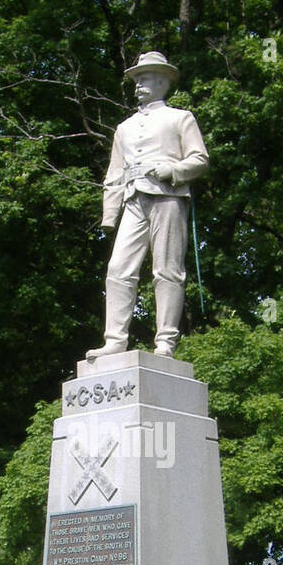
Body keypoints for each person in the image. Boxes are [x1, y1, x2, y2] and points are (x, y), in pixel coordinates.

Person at [87, 51, 209, 359]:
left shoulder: (180, 118)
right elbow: (114, 174)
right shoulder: (124, 128)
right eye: (137, 79)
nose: (139, 84)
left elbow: (200, 159)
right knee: (118, 269)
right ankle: (115, 339)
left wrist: (173, 170)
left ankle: (165, 342)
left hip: (168, 196)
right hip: (133, 200)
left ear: (162, 81)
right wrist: (110, 213)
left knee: (167, 270)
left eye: (145, 78)